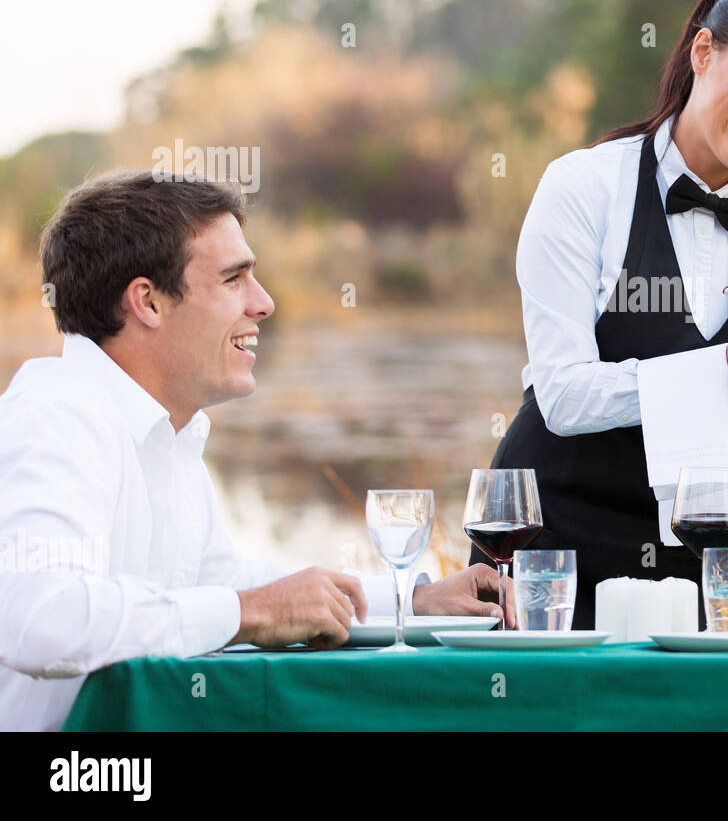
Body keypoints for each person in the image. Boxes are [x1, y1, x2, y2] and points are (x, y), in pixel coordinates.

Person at [0, 171, 513, 731]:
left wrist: (412, 601)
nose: (264, 303)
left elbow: (221, 582)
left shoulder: (167, 436)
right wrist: (253, 613)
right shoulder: (55, 414)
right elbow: (37, 619)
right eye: (233, 279)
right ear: (148, 302)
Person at [475, 0, 728, 627]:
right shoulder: (583, 187)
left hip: (701, 545)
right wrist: (722, 366)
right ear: (704, 52)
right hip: (549, 545)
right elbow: (564, 397)